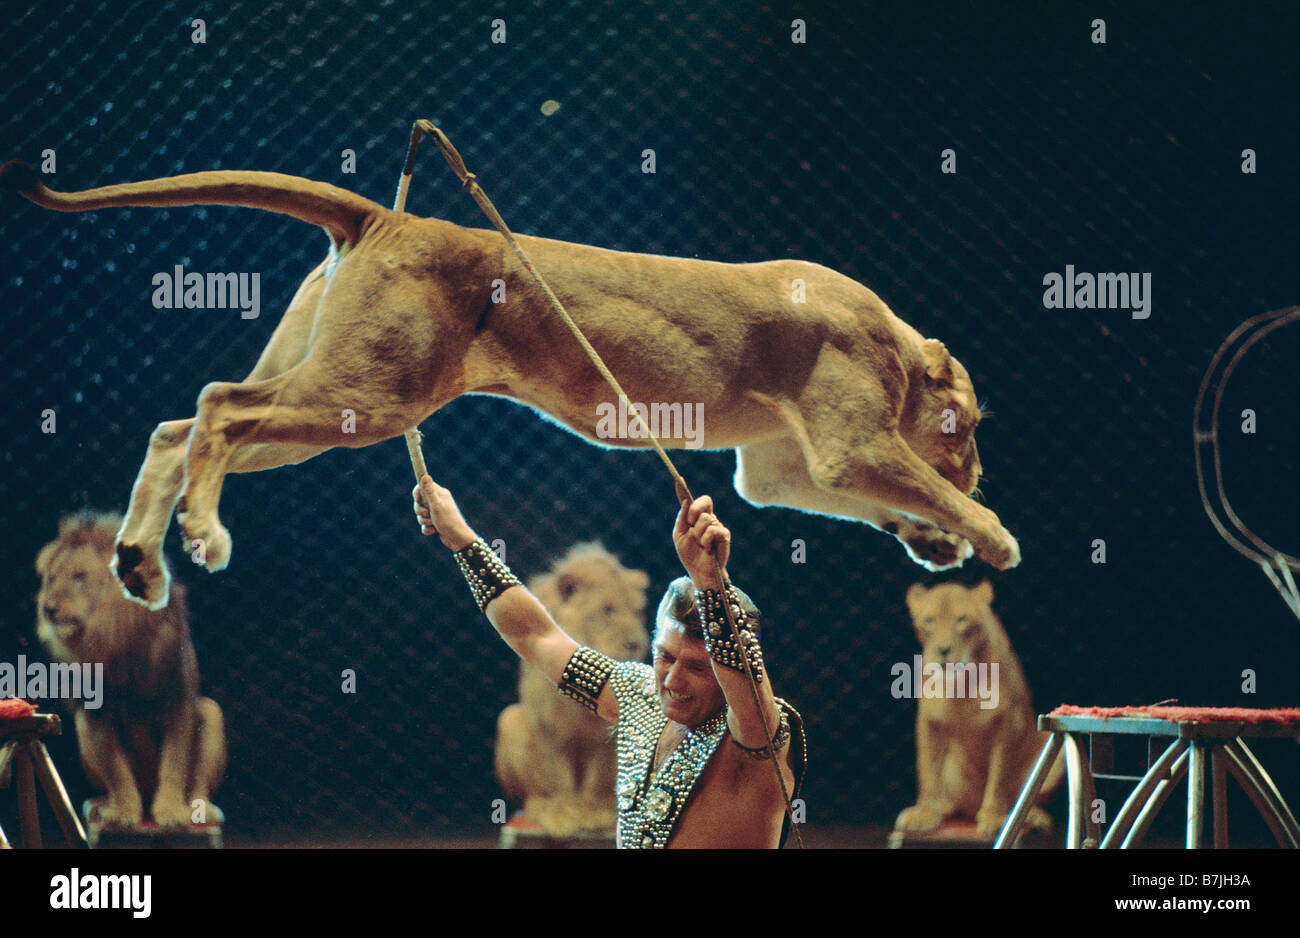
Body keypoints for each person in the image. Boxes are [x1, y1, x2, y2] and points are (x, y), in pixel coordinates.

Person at [412, 474, 806, 849]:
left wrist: (709, 581)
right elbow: (536, 635)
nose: (672, 680)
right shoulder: (639, 696)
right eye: (664, 657)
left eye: (698, 668)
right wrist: (461, 538)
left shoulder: (758, 737)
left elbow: (745, 680)